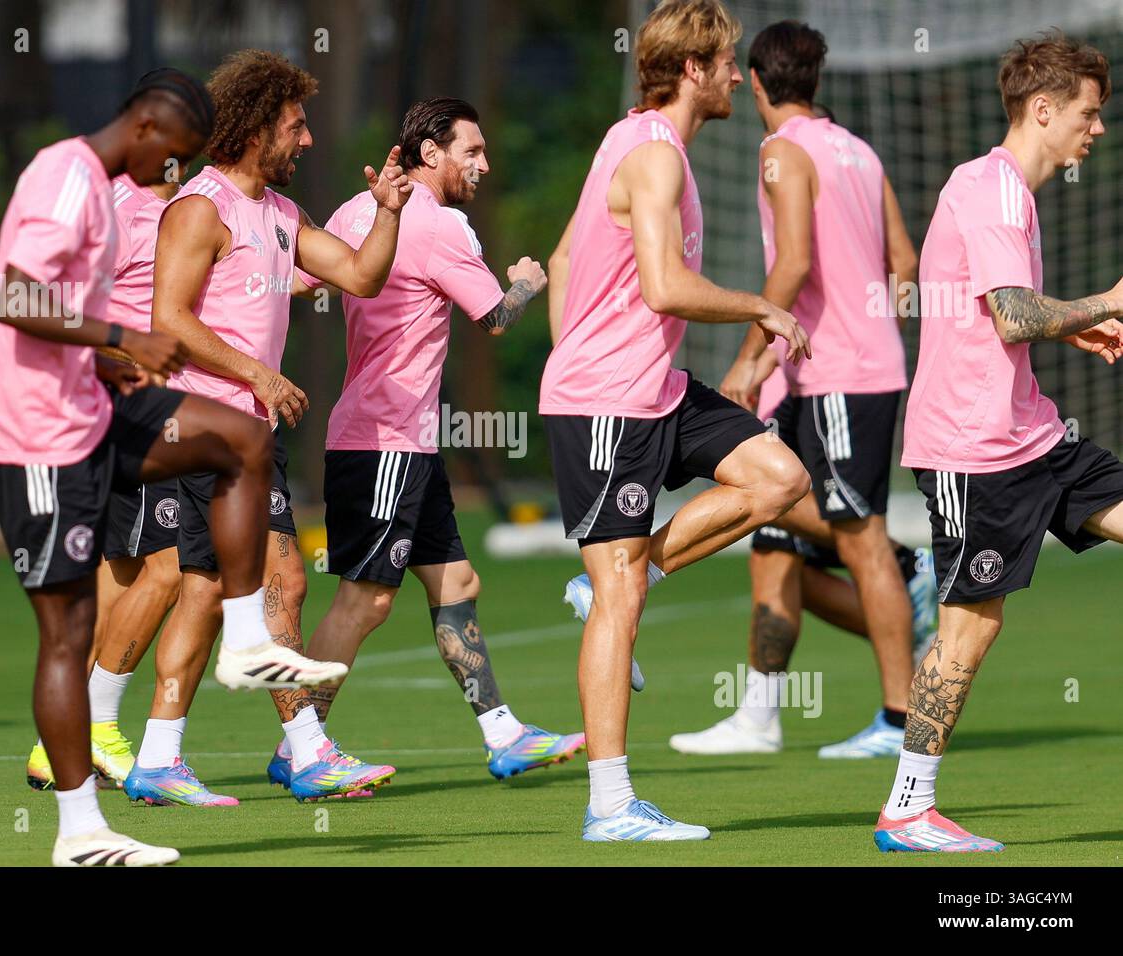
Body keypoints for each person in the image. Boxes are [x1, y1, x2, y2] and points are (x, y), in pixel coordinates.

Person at [0, 69, 344, 866]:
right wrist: (121, 340)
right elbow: (7, 296)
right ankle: (78, 833)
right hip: (32, 438)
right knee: (67, 634)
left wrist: (109, 368)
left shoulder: (115, 196)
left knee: (240, 436)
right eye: (171, 153)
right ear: (143, 126)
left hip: (93, 411)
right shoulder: (66, 175)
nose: (174, 172)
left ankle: (245, 637)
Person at [542, 0, 811, 841]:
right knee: (616, 598)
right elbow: (664, 288)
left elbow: (559, 260)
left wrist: (586, 352)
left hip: (649, 385)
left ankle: (632, 576)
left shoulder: (643, 145)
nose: (740, 74)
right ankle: (612, 806)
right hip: (606, 404)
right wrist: (760, 305)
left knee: (779, 477)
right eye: (728, 60)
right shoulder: (653, 155)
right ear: (693, 69)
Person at [123, 50, 410, 807]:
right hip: (203, 429)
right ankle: (309, 752)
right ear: (254, 130)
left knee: (204, 590)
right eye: (295, 126)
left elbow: (359, 276)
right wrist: (256, 374)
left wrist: (387, 210)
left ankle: (157, 757)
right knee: (282, 580)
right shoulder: (198, 209)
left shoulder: (282, 216)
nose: (307, 141)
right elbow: (168, 320)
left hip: (244, 435)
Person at [874, 32, 1123, 852]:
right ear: (1043, 109)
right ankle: (909, 808)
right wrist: (1103, 302)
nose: (1097, 129)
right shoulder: (990, 189)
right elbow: (1014, 312)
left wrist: (1073, 329)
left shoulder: (1009, 189)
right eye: (1088, 113)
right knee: (970, 631)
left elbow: (1007, 320)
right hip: (971, 451)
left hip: (1033, 434)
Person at [659, 19, 931, 758]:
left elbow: (792, 266)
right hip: (822, 372)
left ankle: (902, 718)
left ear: (754, 81)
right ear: (814, 77)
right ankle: (759, 714)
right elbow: (904, 261)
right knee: (772, 536)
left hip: (836, 373)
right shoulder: (859, 151)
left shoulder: (781, 149)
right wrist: (884, 332)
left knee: (858, 535)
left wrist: (751, 358)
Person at [297, 97, 584, 783]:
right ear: (431, 153)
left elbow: (298, 282)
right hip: (384, 441)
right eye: (472, 151)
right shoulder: (443, 225)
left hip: (400, 440)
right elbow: (494, 316)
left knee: (456, 580)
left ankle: (504, 733)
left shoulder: (352, 210)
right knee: (364, 600)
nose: (485, 164)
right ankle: (299, 745)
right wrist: (525, 283)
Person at [24, 172, 184, 792]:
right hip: (128, 412)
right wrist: (108, 360)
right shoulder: (115, 205)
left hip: (133, 411)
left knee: (117, 573)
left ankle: (52, 744)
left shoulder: (178, 200)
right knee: (171, 567)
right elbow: (48, 294)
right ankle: (100, 728)